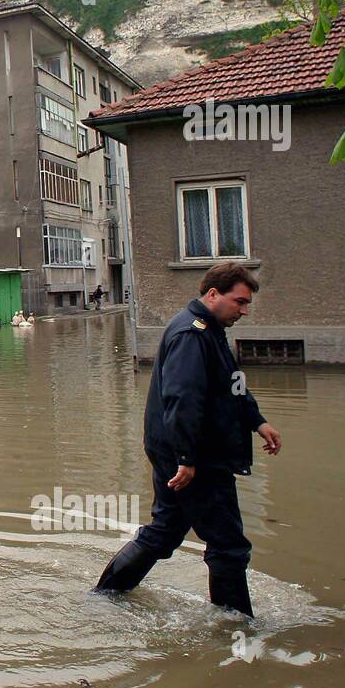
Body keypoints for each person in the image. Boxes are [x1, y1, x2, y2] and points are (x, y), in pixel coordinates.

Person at [93, 262, 282, 617]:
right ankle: (236, 629)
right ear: (213, 294)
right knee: (227, 543)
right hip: (197, 457)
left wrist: (257, 421)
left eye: (246, 304)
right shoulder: (192, 335)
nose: (244, 310)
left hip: (183, 452)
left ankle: (105, 596)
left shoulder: (210, 329)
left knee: (165, 531)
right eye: (239, 302)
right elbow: (183, 401)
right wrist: (187, 459)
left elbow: (232, 383)